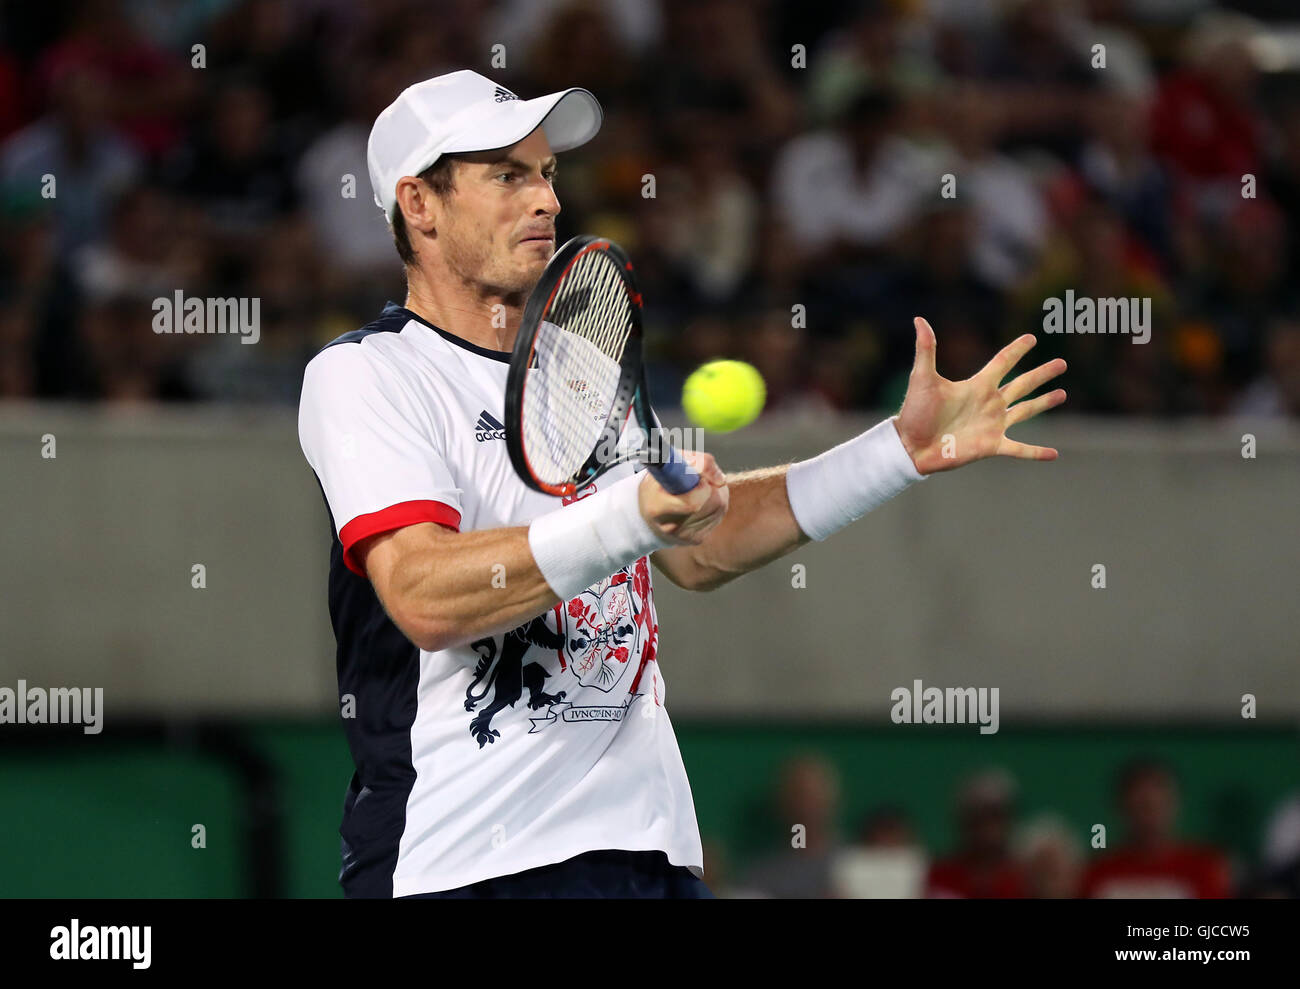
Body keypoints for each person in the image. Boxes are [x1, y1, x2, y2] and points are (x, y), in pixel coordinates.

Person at [296, 68, 1068, 899]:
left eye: (549, 174)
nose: (548, 201)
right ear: (419, 204)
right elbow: (425, 596)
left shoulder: (577, 369)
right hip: (469, 862)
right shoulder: (367, 375)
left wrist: (893, 451)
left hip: (650, 852)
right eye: (509, 176)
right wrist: (630, 518)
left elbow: (699, 548)